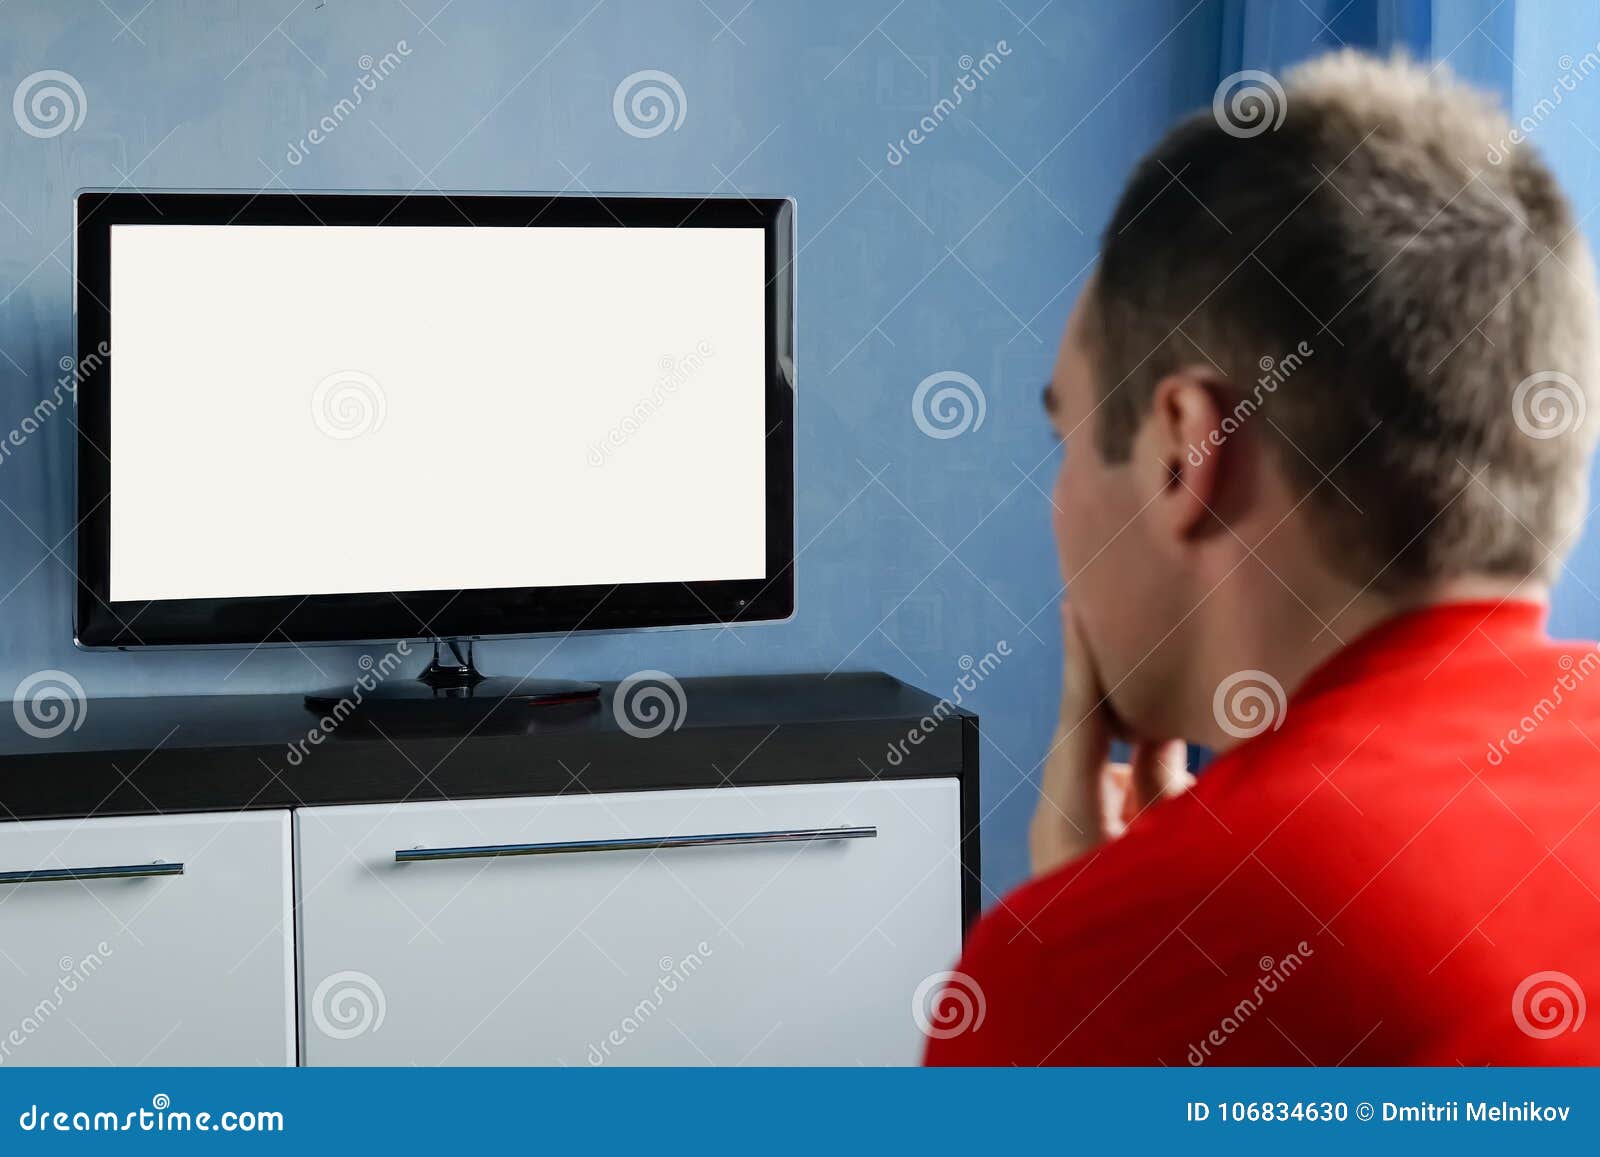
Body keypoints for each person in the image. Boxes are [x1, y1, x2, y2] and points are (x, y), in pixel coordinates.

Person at [925, 50, 1600, 1066]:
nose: (1058, 501)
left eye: (1063, 441)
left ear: (1184, 448)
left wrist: (1094, 944)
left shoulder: (1086, 972)